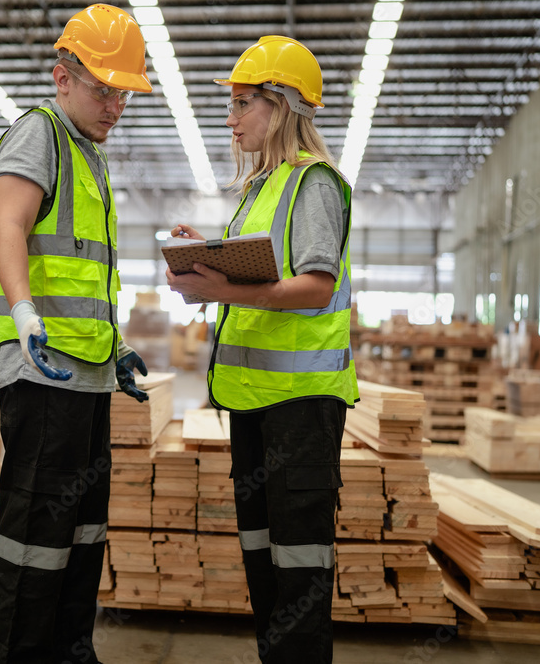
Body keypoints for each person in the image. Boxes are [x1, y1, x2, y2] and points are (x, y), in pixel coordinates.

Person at [165, 35, 359, 664]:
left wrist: (221, 285)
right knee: (263, 560)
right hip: (254, 402)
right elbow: (259, 278)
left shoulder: (314, 185)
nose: (231, 118)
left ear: (281, 107)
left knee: (299, 569)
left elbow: (314, 286)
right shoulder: (258, 191)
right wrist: (209, 254)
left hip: (301, 407)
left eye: (242, 103)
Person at [0, 4, 152, 663]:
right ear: (61, 78)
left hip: (83, 374)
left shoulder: (90, 154)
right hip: (39, 369)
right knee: (36, 532)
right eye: (102, 88)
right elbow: (9, 227)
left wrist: (114, 352)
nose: (115, 104)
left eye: (123, 93)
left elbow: (85, 277)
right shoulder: (41, 134)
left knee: (82, 531)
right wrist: (24, 314)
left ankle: (70, 652)